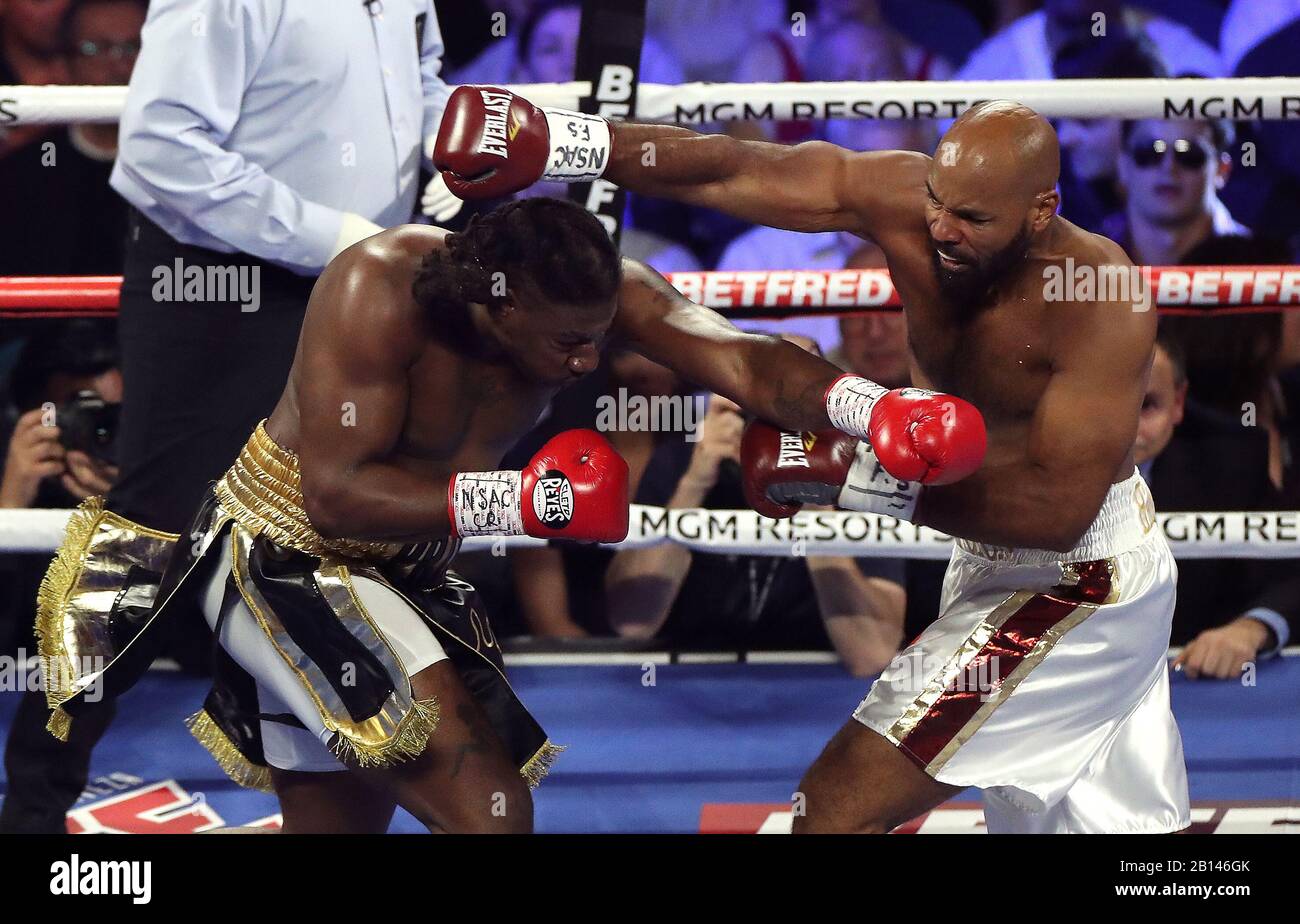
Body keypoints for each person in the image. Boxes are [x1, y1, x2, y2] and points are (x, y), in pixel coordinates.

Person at [37, 197, 985, 833]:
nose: (586, 362)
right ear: (497, 309)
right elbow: (332, 489)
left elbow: (741, 358)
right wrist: (528, 503)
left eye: (597, 335)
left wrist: (869, 408)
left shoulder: (596, 299)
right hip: (289, 561)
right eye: (567, 342)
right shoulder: (375, 289)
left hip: (404, 565)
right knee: (490, 807)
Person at [436, 89, 1187, 834]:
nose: (941, 229)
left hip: (1080, 583)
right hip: (999, 560)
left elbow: (1057, 514)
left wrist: (857, 479)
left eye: (972, 219)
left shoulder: (1099, 295)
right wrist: (571, 143)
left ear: (1042, 209)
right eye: (937, 201)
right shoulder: (906, 200)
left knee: (829, 812)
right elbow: (731, 170)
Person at [3, 0, 458, 836]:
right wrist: (341, 235)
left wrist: (451, 150)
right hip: (219, 283)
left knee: (339, 531)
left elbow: (418, 82)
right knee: (147, 543)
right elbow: (159, 148)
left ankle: (339, 809)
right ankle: (32, 803)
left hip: (363, 275)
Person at [605, 347, 909, 677]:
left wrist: (814, 500)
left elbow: (871, 655)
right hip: (684, 684)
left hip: (811, 691)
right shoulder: (681, 463)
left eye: (799, 403)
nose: (782, 424)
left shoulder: (861, 476)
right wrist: (694, 484)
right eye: (772, 399)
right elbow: (630, 622)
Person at [1135, 332, 1296, 677]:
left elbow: (1290, 573)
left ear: (1178, 403)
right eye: (1110, 403)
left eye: (1147, 406)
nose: (1126, 426)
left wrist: (1250, 628)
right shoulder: (1028, 472)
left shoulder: (1231, 463)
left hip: (1194, 689)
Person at [0, 0, 144, 278]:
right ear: (64, 65)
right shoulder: (25, 172)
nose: (118, 64)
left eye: (133, 47)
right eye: (95, 48)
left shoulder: (180, 171)